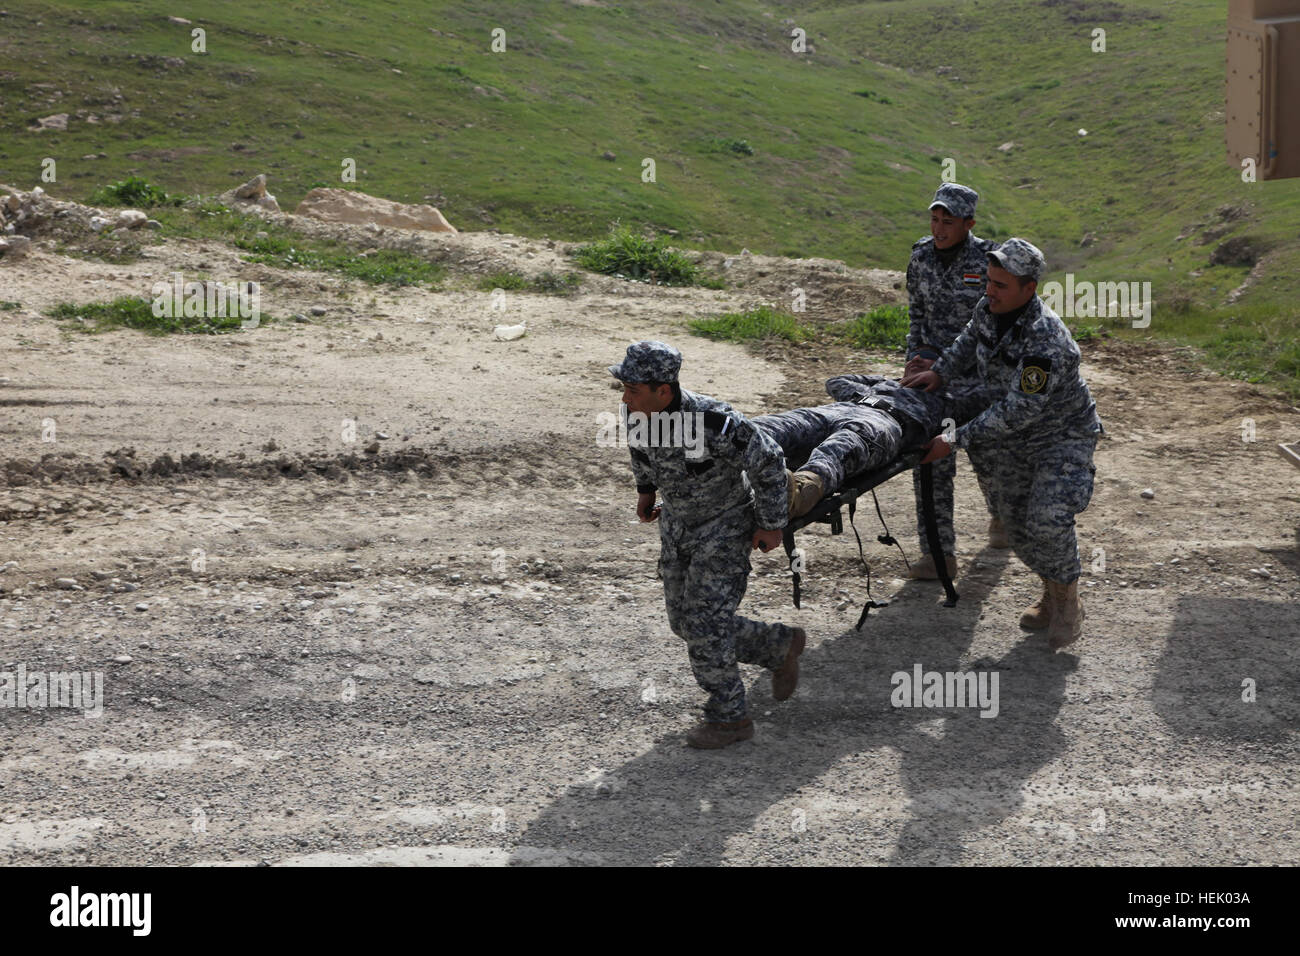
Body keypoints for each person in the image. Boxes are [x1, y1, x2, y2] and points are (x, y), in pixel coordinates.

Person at [900, 238, 1103, 650]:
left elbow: (1017, 411)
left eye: (1001, 285)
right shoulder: (989, 309)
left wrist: (952, 440)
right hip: (1016, 439)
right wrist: (939, 373)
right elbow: (965, 342)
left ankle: (1067, 601)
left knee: (1047, 516)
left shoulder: (1046, 341)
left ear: (1029, 289)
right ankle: (1050, 592)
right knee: (1014, 524)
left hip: (1061, 436)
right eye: (989, 281)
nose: (990, 290)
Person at [612, 341, 806, 749]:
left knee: (704, 621)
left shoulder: (715, 422)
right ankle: (778, 645)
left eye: (632, 389)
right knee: (683, 622)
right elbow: (640, 454)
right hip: (679, 524)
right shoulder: (637, 412)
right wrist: (645, 492)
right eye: (623, 388)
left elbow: (768, 462)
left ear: (663, 390)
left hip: (726, 524)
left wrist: (772, 524)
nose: (625, 397)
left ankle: (730, 717)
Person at [903, 182, 1006, 582]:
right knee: (929, 455)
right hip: (932, 377)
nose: (939, 228)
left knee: (987, 454)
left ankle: (1001, 517)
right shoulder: (921, 257)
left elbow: (991, 326)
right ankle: (937, 553)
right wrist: (914, 359)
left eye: (949, 221)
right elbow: (916, 314)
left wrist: (948, 363)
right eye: (935, 219)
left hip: (977, 376)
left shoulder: (989, 261)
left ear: (969, 223)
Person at [754, 375, 992, 519]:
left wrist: (951, 437)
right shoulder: (885, 382)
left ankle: (800, 491)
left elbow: (985, 412)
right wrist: (892, 381)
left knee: (844, 445)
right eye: (915, 356)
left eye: (926, 358)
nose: (917, 359)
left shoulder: (948, 400)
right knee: (768, 427)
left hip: (886, 422)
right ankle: (722, 454)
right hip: (836, 410)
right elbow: (835, 382)